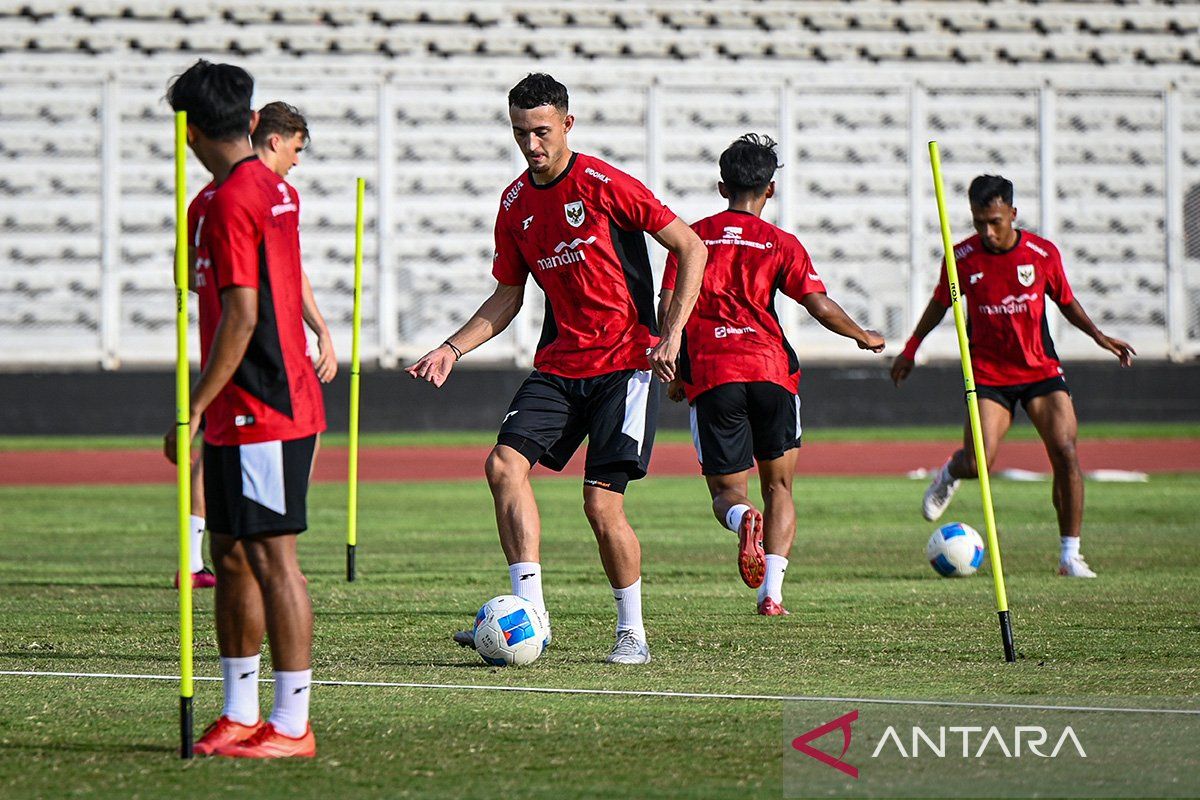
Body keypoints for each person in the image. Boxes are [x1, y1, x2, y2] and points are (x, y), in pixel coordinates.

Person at [406, 73, 708, 664]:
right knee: (502, 466)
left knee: (601, 505)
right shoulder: (514, 203)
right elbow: (507, 296)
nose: (531, 144)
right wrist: (452, 348)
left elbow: (691, 246)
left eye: (541, 131)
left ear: (568, 124)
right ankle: (531, 615)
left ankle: (632, 632)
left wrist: (671, 334)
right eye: (521, 133)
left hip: (626, 363)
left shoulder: (604, 182)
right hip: (561, 363)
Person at [164, 60, 326, 758]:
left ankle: (291, 723)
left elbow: (240, 318)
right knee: (229, 555)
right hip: (245, 401)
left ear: (190, 129)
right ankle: (238, 710)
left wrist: (189, 410)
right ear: (253, 120)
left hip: (266, 402)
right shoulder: (245, 191)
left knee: (271, 558)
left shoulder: (232, 200)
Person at [659, 134, 885, 616]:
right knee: (779, 487)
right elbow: (817, 304)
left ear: (723, 187)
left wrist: (673, 365)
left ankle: (743, 520)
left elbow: (669, 303)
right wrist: (860, 335)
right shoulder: (780, 243)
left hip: (715, 375)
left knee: (727, 492)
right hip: (772, 373)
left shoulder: (690, 238)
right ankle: (772, 595)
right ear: (770, 190)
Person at [892, 174, 1135, 578]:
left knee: (1066, 452)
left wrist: (1099, 336)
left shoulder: (1041, 254)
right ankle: (952, 471)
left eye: (995, 221)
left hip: (1040, 370)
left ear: (1013, 214)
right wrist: (912, 349)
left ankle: (1069, 555)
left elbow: (1067, 301)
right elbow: (939, 305)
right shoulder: (961, 258)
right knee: (979, 463)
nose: (987, 231)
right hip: (988, 375)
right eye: (979, 222)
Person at [173, 100, 335, 590]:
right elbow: (230, 289)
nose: (296, 161)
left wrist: (319, 327)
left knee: (219, 448)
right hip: (259, 364)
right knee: (248, 446)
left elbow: (187, 277)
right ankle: (268, 554)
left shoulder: (211, 200)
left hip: (241, 353)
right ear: (272, 139)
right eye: (295, 148)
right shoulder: (257, 197)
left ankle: (200, 556)